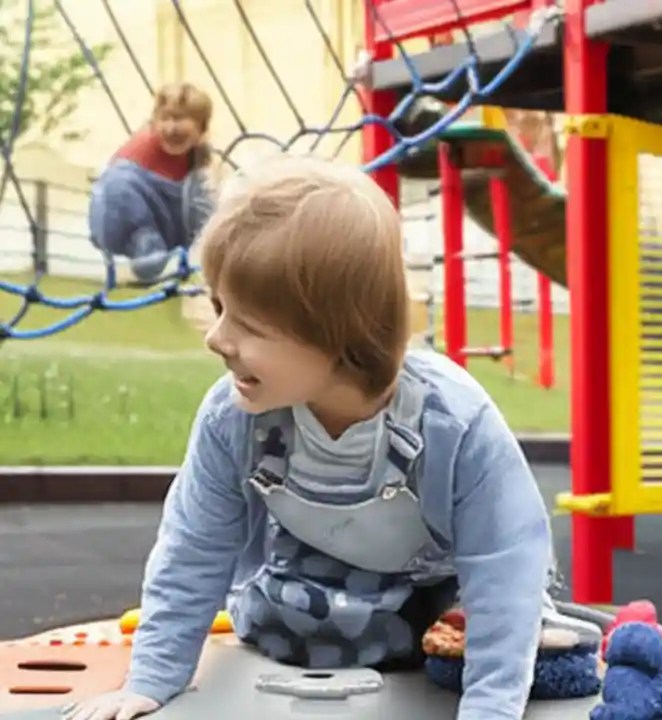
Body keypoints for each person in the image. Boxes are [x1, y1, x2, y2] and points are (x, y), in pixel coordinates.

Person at [62, 155, 554, 720]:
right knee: (277, 614)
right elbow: (194, 546)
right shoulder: (235, 416)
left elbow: (503, 560)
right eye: (220, 309)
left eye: (246, 325)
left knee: (492, 622)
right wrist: (151, 680)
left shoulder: (450, 422)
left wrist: (490, 708)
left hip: (441, 579)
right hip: (314, 577)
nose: (218, 340)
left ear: (339, 338)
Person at [88, 81, 217, 284]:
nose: (171, 128)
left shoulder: (199, 159)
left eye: (181, 119)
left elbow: (204, 206)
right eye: (165, 119)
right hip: (142, 233)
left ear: (201, 129)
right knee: (118, 186)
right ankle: (147, 257)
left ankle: (193, 259)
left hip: (178, 236)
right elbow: (110, 202)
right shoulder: (132, 159)